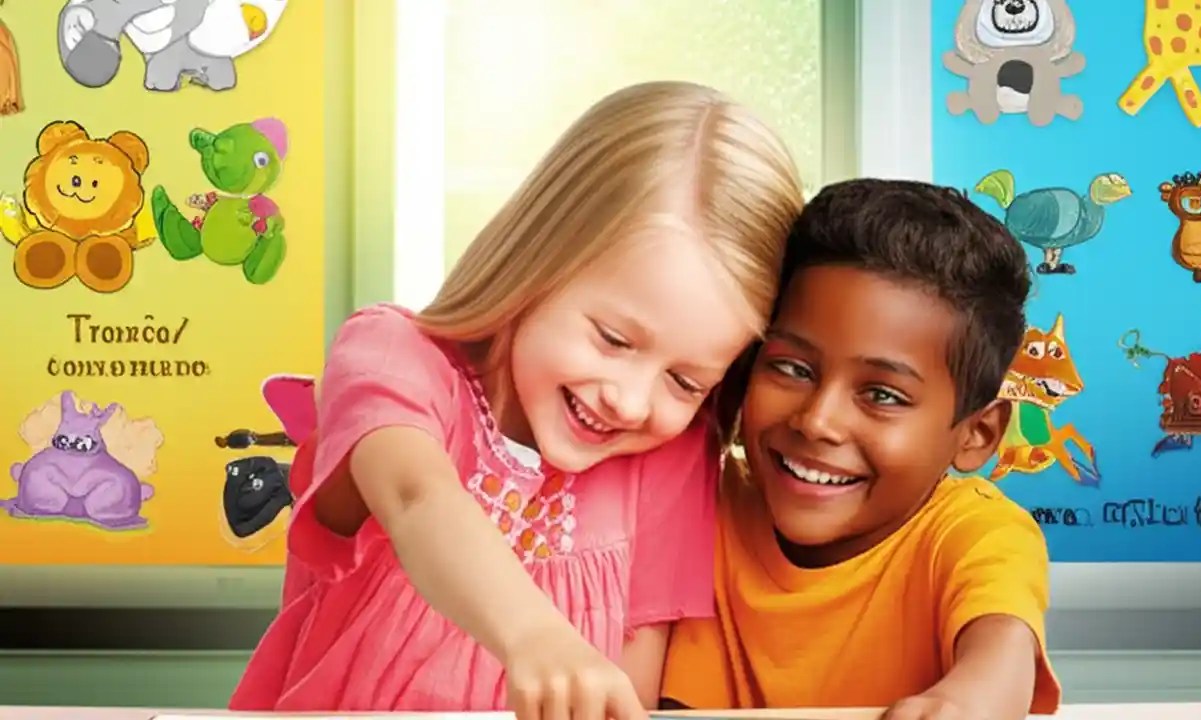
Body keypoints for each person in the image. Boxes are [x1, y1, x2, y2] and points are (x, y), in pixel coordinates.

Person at [226, 81, 804, 717]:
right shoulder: (391, 358)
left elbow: (634, 683)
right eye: (613, 339)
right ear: (539, 260)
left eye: (685, 382)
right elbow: (418, 498)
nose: (633, 402)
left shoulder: (670, 453)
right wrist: (533, 635)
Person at [659, 178, 1062, 720]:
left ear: (978, 435)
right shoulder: (694, 496)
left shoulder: (974, 534)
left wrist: (964, 701)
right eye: (792, 368)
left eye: (882, 395)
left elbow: (1000, 654)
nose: (818, 421)